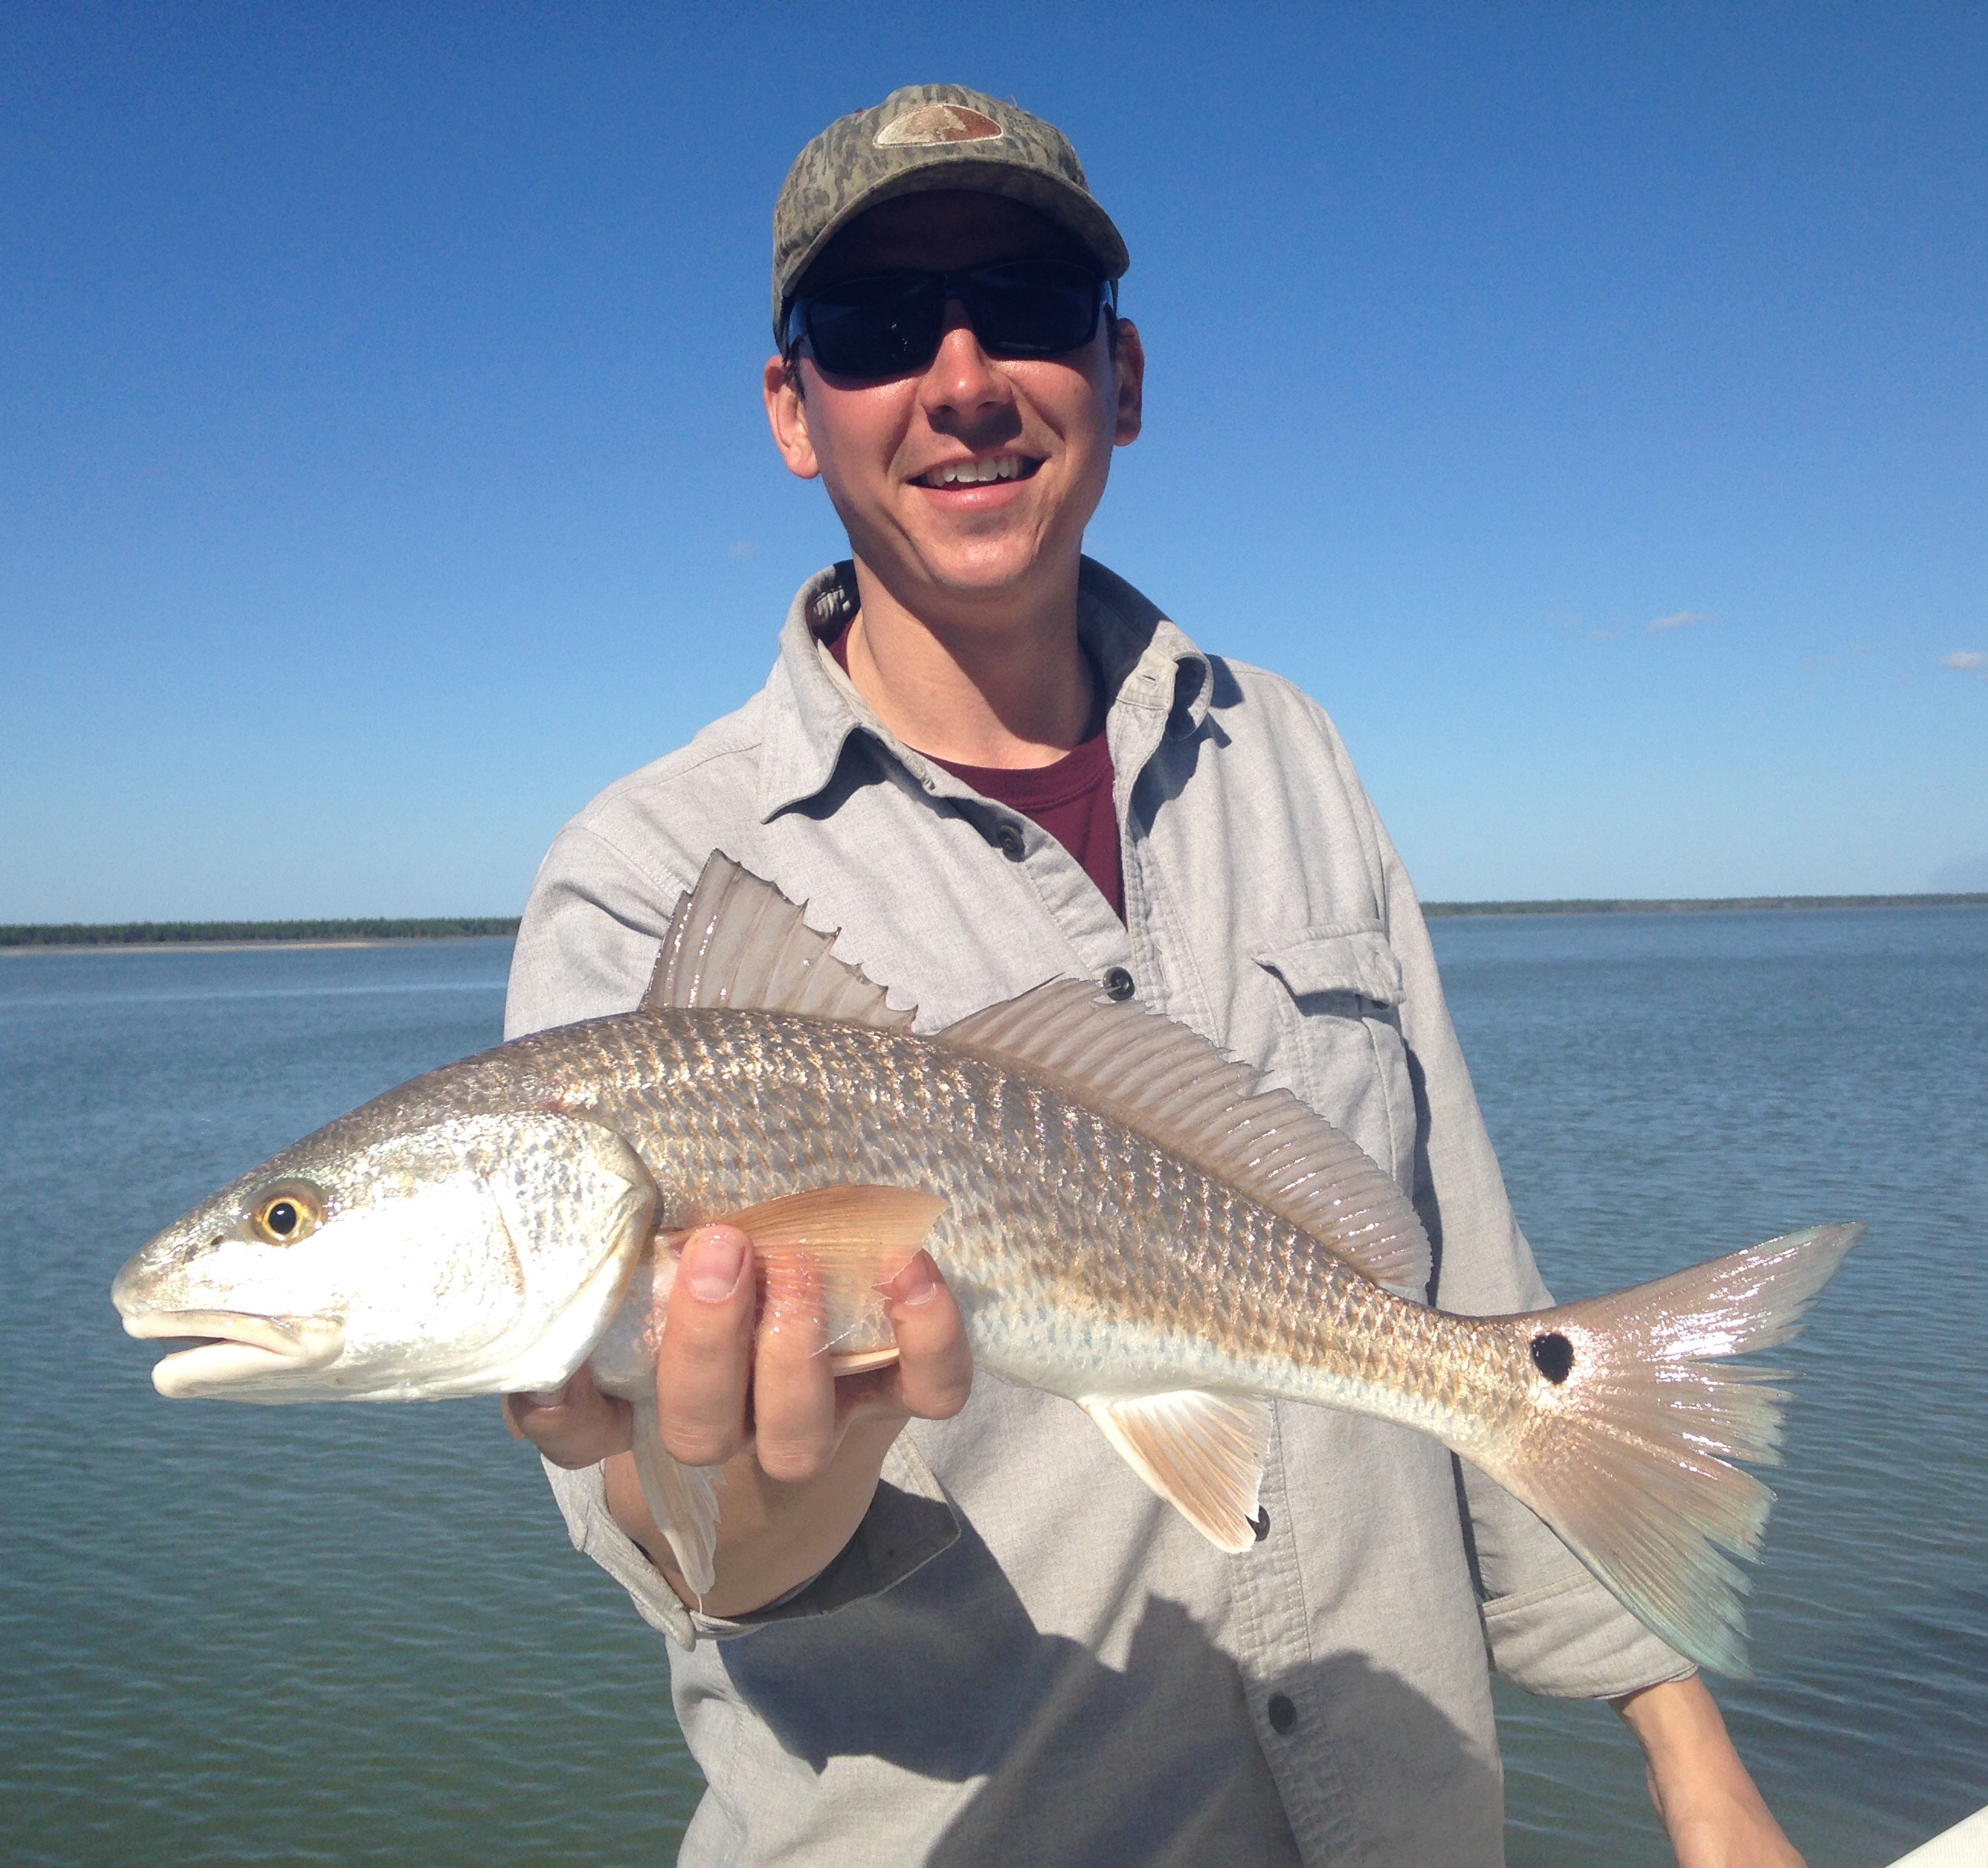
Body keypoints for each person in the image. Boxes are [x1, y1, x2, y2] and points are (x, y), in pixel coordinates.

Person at [502, 82, 1806, 1868]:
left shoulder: (1289, 751)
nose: (961, 380)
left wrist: (1690, 1755)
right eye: (879, 329)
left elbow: (1472, 1276)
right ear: (792, 413)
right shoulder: (649, 877)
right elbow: (679, 1550)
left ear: (1122, 375)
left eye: (1025, 311)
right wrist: (742, 1488)